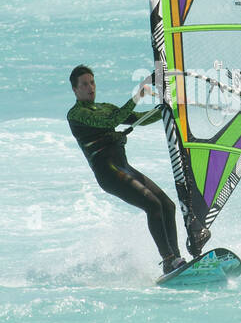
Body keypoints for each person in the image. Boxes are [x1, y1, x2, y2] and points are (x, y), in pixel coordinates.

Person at [66, 64, 208, 274]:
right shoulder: (76, 114)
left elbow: (140, 119)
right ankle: (168, 260)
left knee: (167, 205)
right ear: (75, 90)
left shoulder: (105, 106)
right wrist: (140, 92)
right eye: (85, 84)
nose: (90, 87)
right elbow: (111, 121)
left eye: (92, 82)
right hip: (108, 172)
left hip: (124, 167)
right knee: (152, 205)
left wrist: (168, 107)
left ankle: (177, 259)